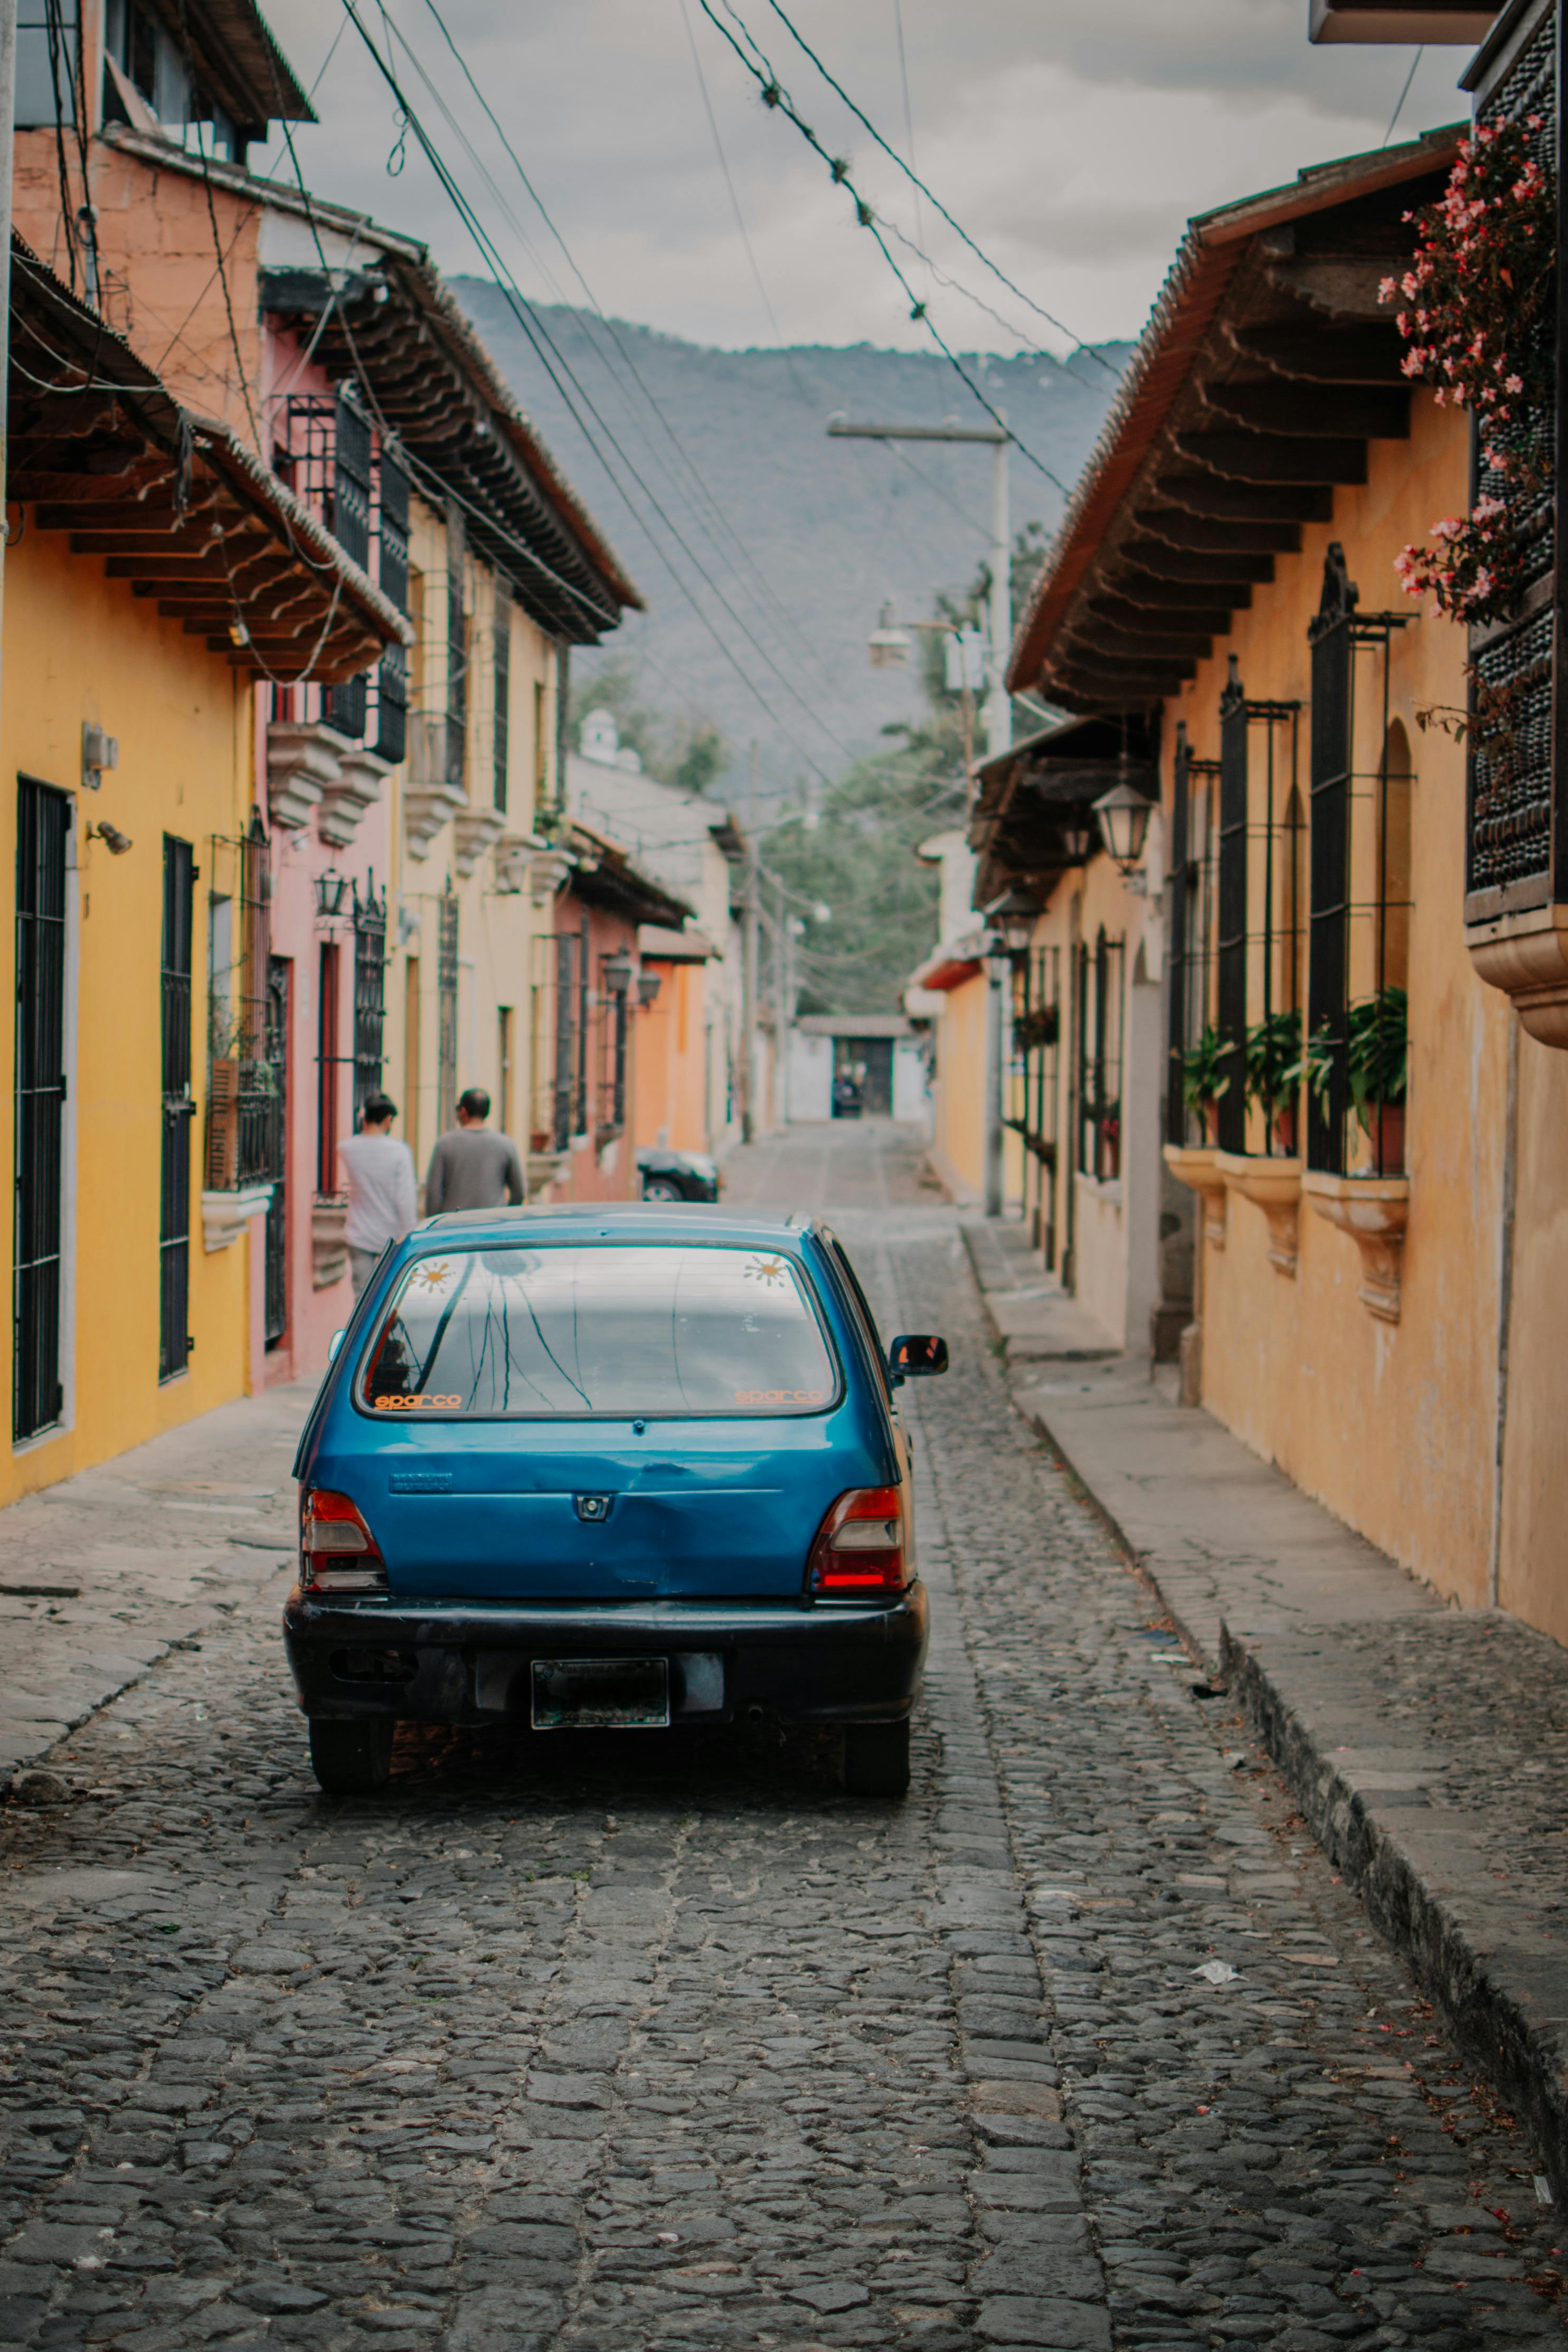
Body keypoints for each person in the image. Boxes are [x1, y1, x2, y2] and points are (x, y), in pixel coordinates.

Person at [337, 1093, 418, 1299]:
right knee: (389, 1296)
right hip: (391, 1236)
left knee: (361, 1297)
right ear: (388, 1120)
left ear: (365, 1118)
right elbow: (405, 1200)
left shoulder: (346, 1148)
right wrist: (410, 1233)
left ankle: (362, 1331)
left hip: (359, 1233)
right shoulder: (399, 1151)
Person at [424, 1085, 527, 1215]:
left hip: (453, 1225)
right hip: (491, 1223)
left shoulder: (444, 1144)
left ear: (463, 1111)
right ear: (487, 1112)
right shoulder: (506, 1145)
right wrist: (505, 1215)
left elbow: (434, 1193)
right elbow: (519, 1192)